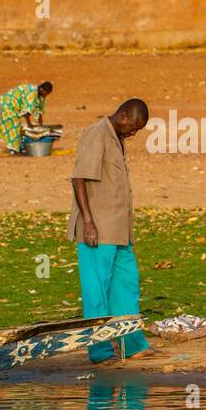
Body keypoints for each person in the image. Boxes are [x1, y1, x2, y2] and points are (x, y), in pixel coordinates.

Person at [68, 98, 155, 363]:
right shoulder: (96, 135)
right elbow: (78, 178)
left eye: (138, 131)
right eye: (134, 127)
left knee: (127, 286)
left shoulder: (116, 138)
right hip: (97, 229)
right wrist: (89, 223)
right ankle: (100, 351)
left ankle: (133, 345)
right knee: (97, 291)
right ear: (124, 115)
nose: (134, 133)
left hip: (119, 229)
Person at [0, 80, 52, 154]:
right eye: (46, 93)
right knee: (14, 125)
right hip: (10, 103)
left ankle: (19, 146)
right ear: (42, 89)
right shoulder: (32, 93)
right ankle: (13, 149)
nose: (46, 95)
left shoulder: (41, 96)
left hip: (18, 105)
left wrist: (41, 126)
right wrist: (29, 124)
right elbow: (26, 112)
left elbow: (40, 111)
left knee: (20, 126)